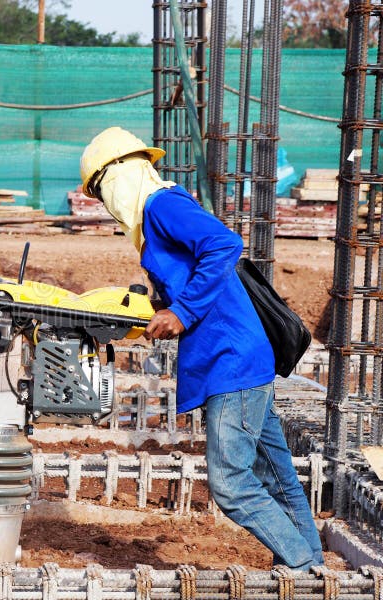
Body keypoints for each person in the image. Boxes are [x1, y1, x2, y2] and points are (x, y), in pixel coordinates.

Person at [79, 126, 324, 571]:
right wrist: (152, 311)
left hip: (231, 360)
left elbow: (224, 244)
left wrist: (182, 313)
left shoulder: (161, 205)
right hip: (240, 357)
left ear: (118, 176)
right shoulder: (158, 215)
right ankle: (313, 566)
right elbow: (192, 279)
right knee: (277, 476)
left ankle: (302, 566)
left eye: (100, 192)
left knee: (230, 483)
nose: (105, 204)